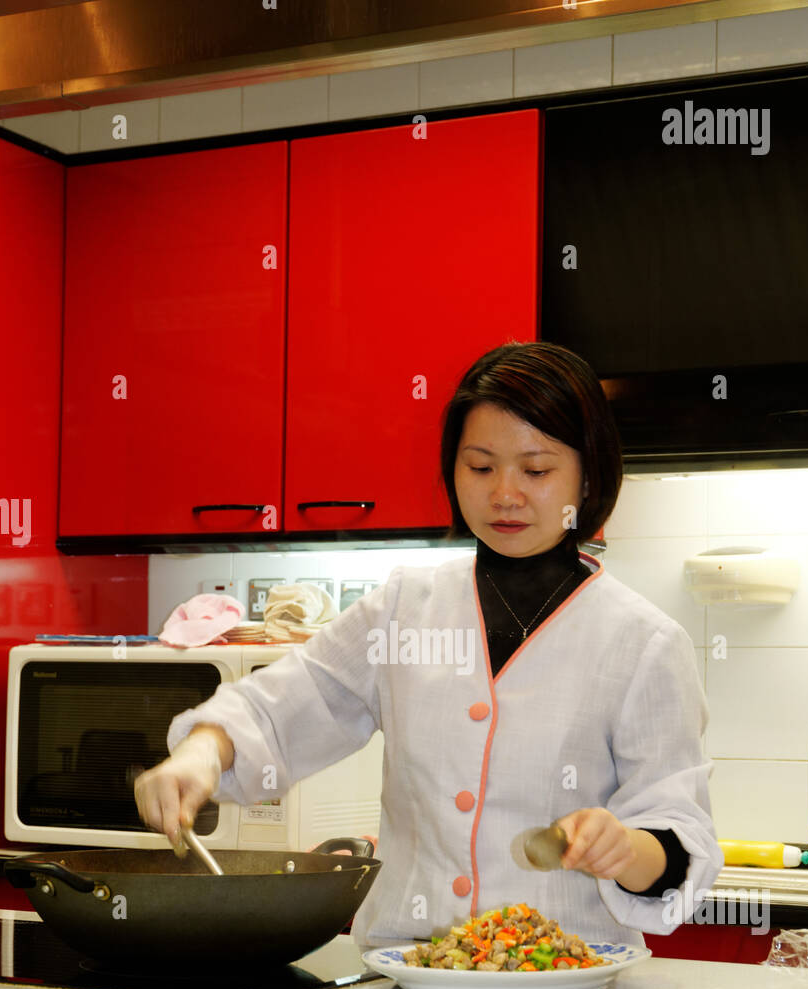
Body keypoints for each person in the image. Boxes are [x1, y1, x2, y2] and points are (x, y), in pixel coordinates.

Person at [134, 341, 723, 949]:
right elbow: (284, 705)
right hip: (407, 981)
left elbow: (680, 833)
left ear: (590, 473)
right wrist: (201, 753)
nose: (505, 494)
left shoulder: (641, 643)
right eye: (481, 466)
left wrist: (625, 847)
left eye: (537, 469)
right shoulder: (404, 608)